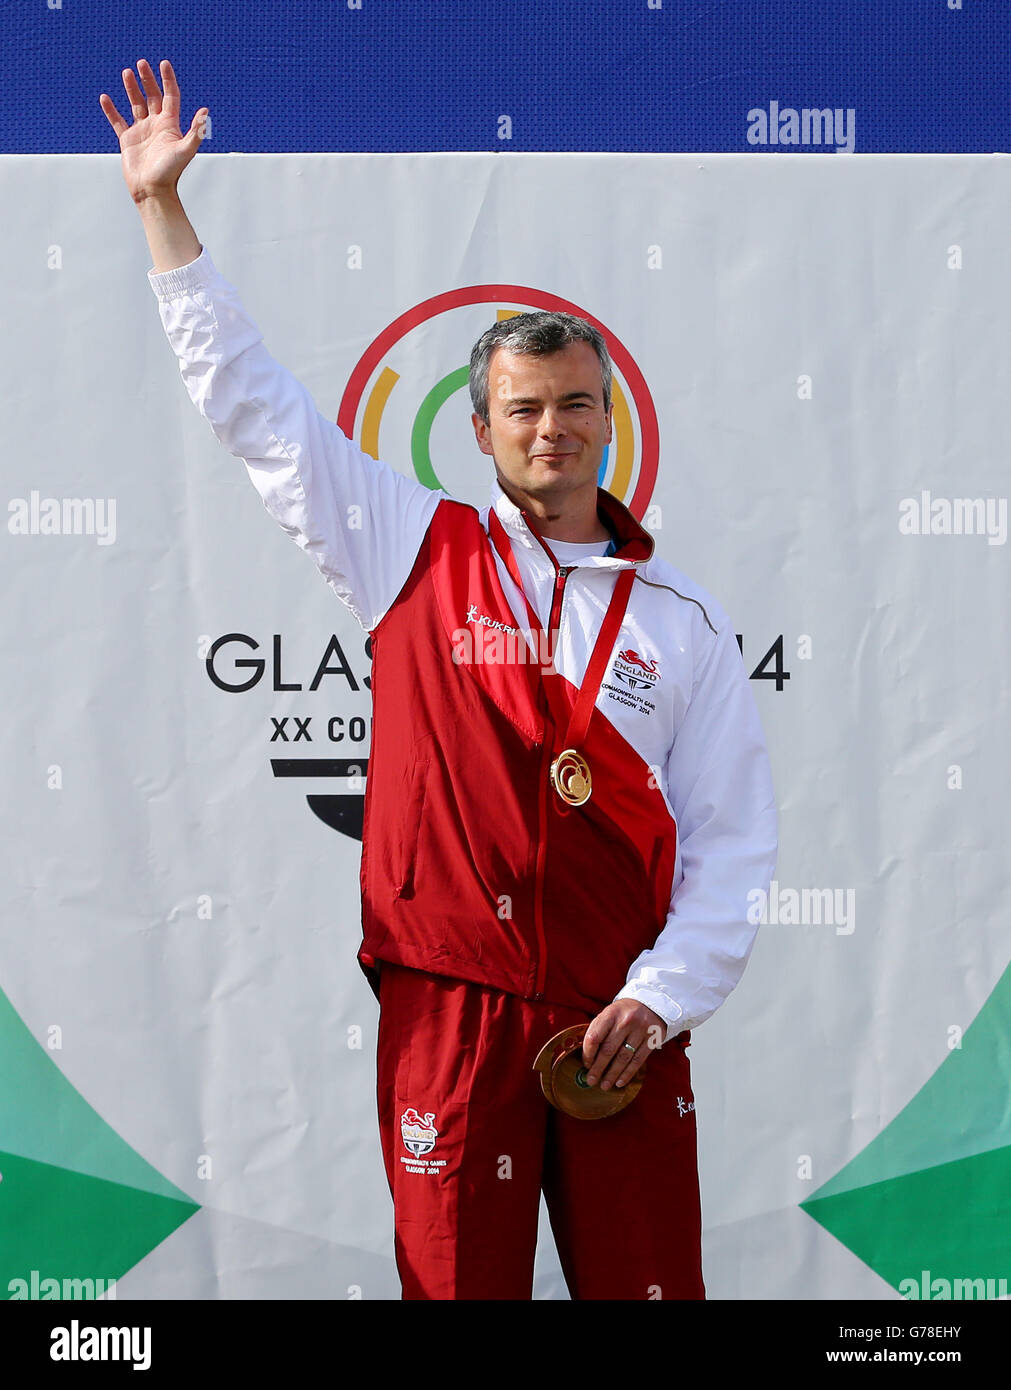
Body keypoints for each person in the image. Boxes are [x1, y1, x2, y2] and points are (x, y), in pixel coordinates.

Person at [101, 60, 778, 1301]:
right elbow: (258, 412)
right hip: (451, 1005)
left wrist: (663, 999)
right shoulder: (406, 543)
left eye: (576, 405)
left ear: (611, 419)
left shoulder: (683, 620)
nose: (552, 430)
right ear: (480, 429)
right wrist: (163, 215)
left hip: (617, 1021)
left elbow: (733, 844)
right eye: (523, 410)